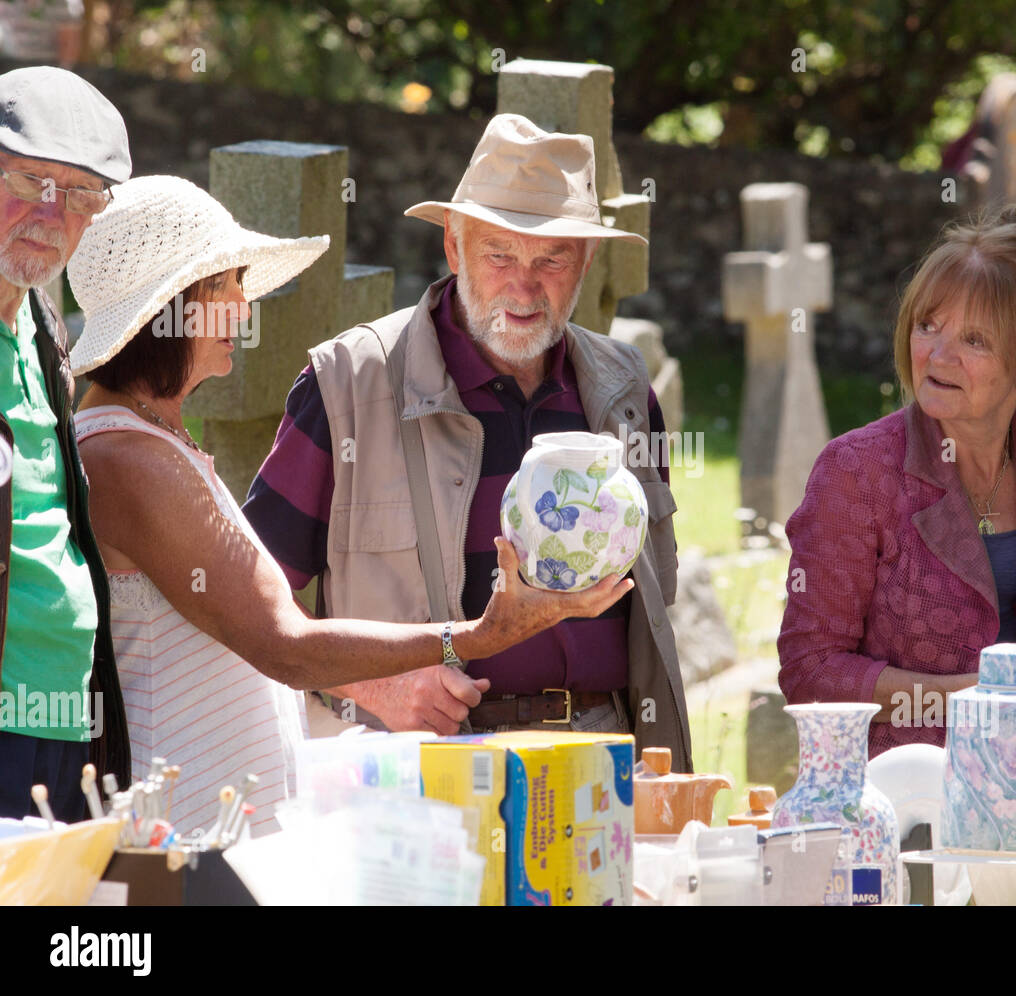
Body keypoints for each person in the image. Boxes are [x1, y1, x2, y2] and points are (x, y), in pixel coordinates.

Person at [67, 175, 630, 835]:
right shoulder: (130, 460)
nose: (244, 313)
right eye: (226, 288)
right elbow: (285, 644)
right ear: (172, 309)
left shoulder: (147, 442)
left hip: (209, 836)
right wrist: (479, 637)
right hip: (184, 845)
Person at [243, 113, 692, 769]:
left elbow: (656, 610)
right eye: (499, 255)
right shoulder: (348, 386)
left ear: (588, 261)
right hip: (420, 764)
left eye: (552, 259)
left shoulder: (624, 391)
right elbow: (249, 614)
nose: (524, 286)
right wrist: (375, 683)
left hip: (604, 752)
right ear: (453, 249)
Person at [778, 200, 1016, 758]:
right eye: (927, 325)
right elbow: (811, 674)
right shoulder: (857, 472)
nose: (937, 355)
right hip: (903, 804)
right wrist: (974, 696)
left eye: (975, 340)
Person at [0, 66, 133, 823]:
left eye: (80, 193)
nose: (52, 211)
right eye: (30, 178)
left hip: (65, 715)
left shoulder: (42, 325)